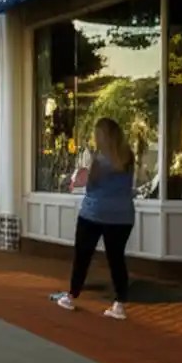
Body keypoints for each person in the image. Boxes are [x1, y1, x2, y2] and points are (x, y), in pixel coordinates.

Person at [51, 117, 136, 320]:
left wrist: (75, 179)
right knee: (116, 259)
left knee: (83, 255)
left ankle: (70, 297)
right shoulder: (128, 157)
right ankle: (119, 304)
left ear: (102, 137)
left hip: (94, 213)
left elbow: (84, 183)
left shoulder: (99, 161)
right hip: (122, 215)